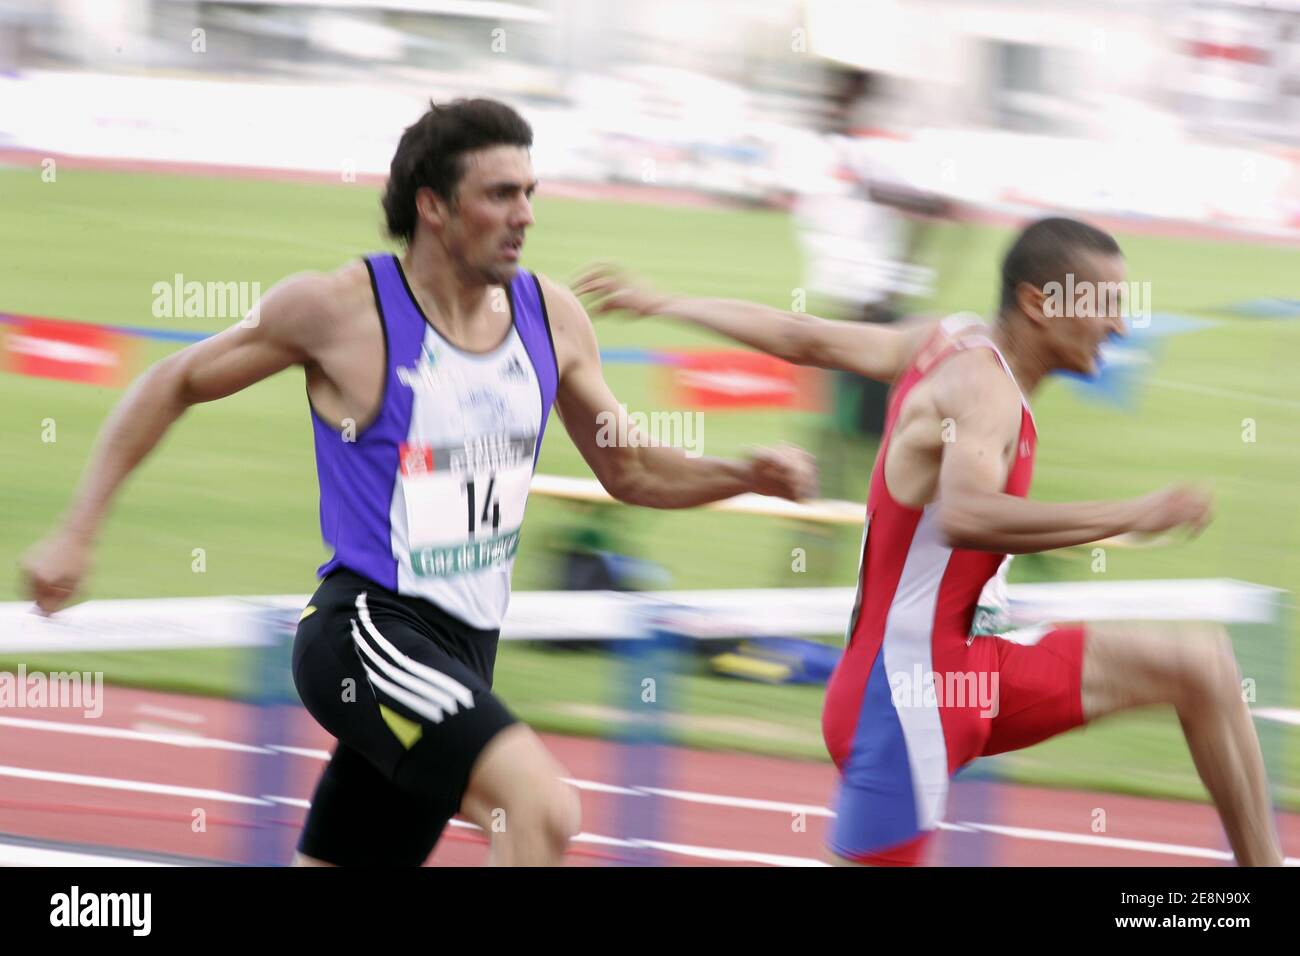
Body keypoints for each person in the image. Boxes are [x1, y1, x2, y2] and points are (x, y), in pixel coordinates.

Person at [20, 98, 816, 867]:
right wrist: (76, 531)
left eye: (530, 193)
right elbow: (173, 381)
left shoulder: (552, 318)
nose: (526, 215)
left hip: (467, 653)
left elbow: (632, 467)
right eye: (501, 194)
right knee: (539, 808)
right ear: (433, 207)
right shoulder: (339, 311)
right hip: (365, 633)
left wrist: (743, 475)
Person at [575, 216, 1283, 866]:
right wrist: (1132, 512)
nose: (1122, 328)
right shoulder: (983, 392)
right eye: (1105, 305)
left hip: (975, 669)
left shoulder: (947, 339)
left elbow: (806, 338)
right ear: (1041, 304)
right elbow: (967, 516)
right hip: (908, 700)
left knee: (1203, 667)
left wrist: (664, 303)